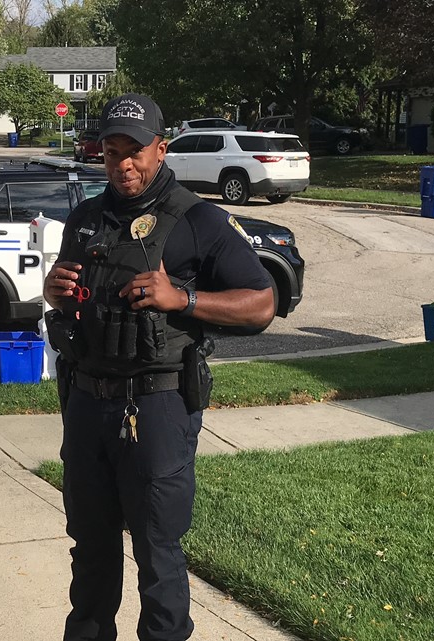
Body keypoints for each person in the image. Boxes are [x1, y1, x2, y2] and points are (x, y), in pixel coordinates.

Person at [43, 93, 275, 641]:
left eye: (135, 151)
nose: (123, 164)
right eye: (111, 152)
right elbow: (72, 298)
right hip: (87, 402)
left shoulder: (199, 219)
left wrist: (184, 300)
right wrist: (55, 292)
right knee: (90, 546)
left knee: (157, 548)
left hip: (156, 406)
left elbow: (262, 303)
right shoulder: (86, 217)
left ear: (161, 149)